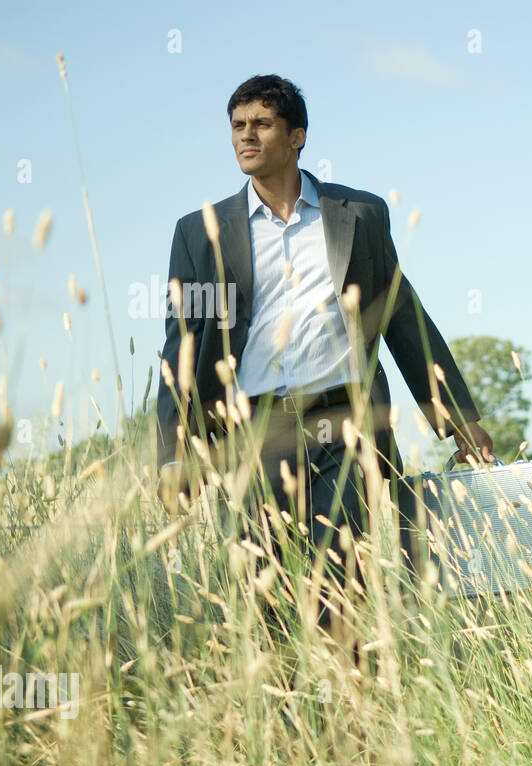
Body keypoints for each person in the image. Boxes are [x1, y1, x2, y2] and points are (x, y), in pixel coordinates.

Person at [155, 74, 494, 654]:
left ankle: (351, 727)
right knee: (263, 592)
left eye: (261, 124)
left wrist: (459, 420)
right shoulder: (202, 233)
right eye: (238, 127)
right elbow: (181, 345)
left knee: (341, 588)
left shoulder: (356, 216)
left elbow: (404, 319)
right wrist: (174, 452)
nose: (246, 137)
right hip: (252, 432)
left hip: (343, 424)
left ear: (297, 136)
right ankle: (284, 731)